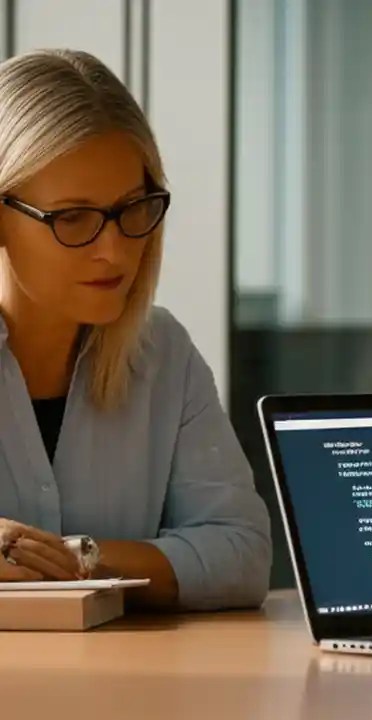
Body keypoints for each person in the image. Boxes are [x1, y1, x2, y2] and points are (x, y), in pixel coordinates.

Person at [0, 49, 271, 610]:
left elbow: (241, 553)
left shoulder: (162, 352)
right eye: (72, 217)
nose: (114, 249)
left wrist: (73, 560)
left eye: (132, 208)